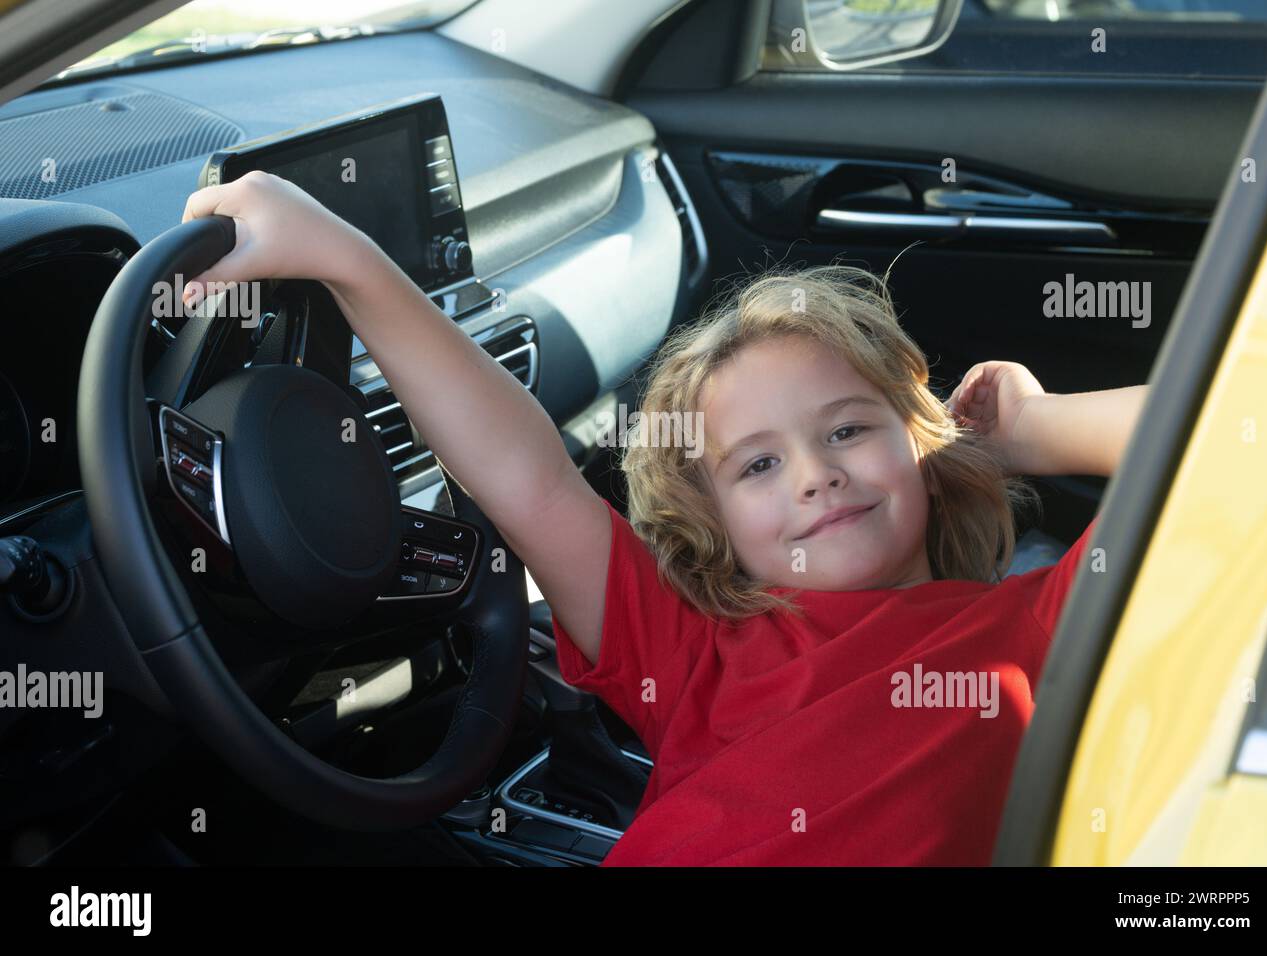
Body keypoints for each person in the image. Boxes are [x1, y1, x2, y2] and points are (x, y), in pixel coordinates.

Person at [180, 171, 1148, 866]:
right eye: (758, 462)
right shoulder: (693, 648)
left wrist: (1030, 426)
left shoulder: (1041, 624)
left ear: (922, 449)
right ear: (712, 521)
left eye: (849, 429)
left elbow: (1244, 433)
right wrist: (349, 261)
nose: (814, 475)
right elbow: (528, 478)